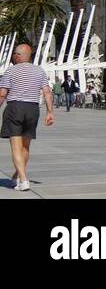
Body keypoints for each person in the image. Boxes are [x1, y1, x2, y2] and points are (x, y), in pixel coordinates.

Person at [0, 44, 55, 191]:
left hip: (15, 108)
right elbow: (47, 92)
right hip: (32, 109)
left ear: (19, 55)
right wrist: (50, 112)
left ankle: (23, 180)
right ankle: (16, 176)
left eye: (15, 54)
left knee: (16, 147)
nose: (14, 56)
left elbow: (2, 94)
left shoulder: (10, 71)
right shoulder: (39, 71)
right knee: (25, 147)